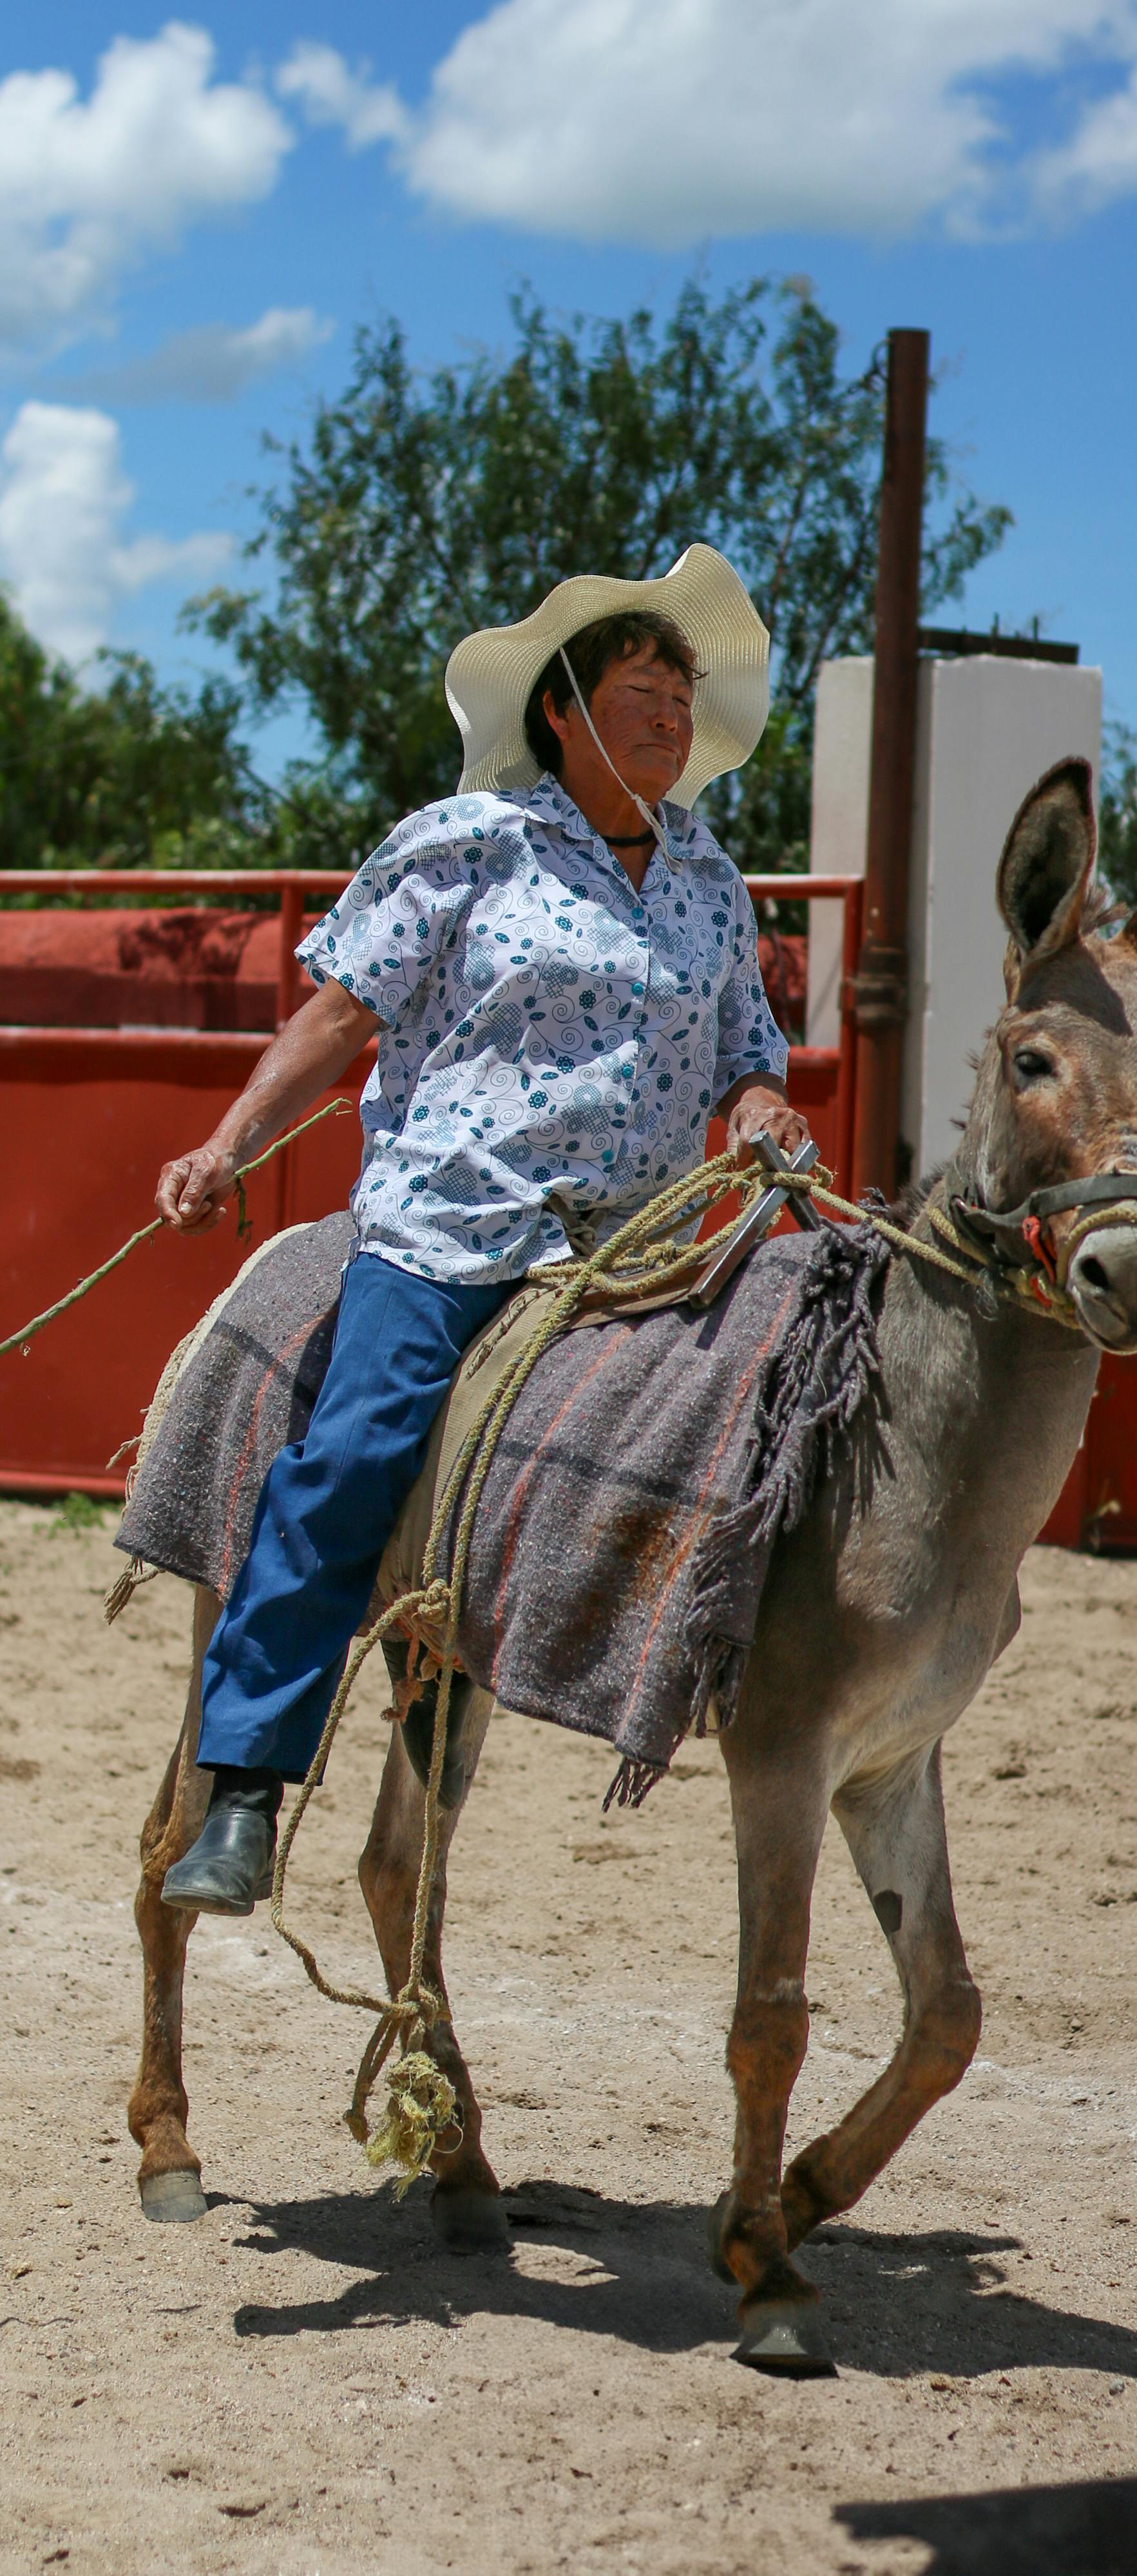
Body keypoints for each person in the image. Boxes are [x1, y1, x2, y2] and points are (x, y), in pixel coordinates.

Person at [156, 544, 809, 1914]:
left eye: (683, 695)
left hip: (644, 1238)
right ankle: (243, 1786)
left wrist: (758, 1110)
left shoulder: (709, 875)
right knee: (353, 1449)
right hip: (459, 1217)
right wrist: (228, 1143)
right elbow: (339, 1015)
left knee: (789, 1395)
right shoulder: (465, 842)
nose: (670, 717)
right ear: (562, 711)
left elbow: (751, 1052)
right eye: (641, 688)